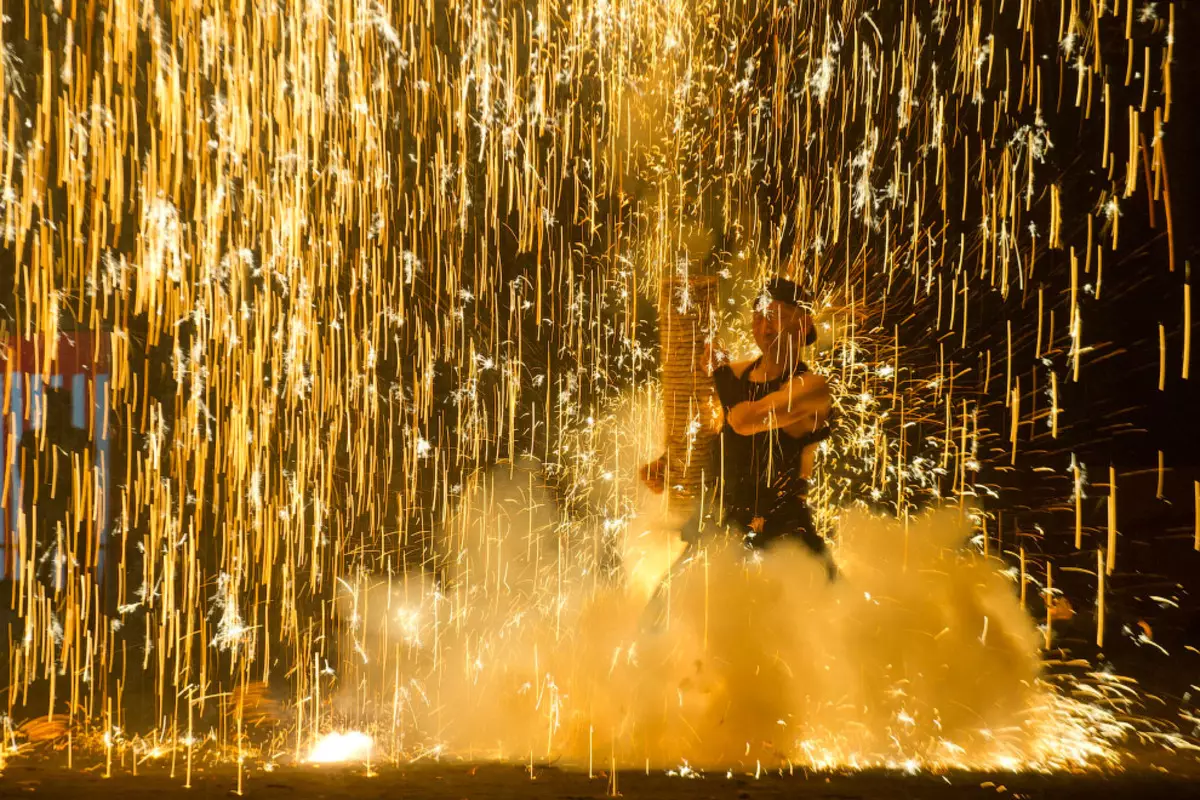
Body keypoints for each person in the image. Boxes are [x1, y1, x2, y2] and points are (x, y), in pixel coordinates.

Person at [641, 277, 837, 577]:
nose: (764, 328)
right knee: (662, 615)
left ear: (802, 326)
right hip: (724, 527)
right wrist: (671, 464)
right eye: (758, 318)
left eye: (775, 318)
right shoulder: (737, 374)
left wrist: (719, 370)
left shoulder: (811, 388)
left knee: (818, 618)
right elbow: (713, 432)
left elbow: (744, 421)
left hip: (783, 537)